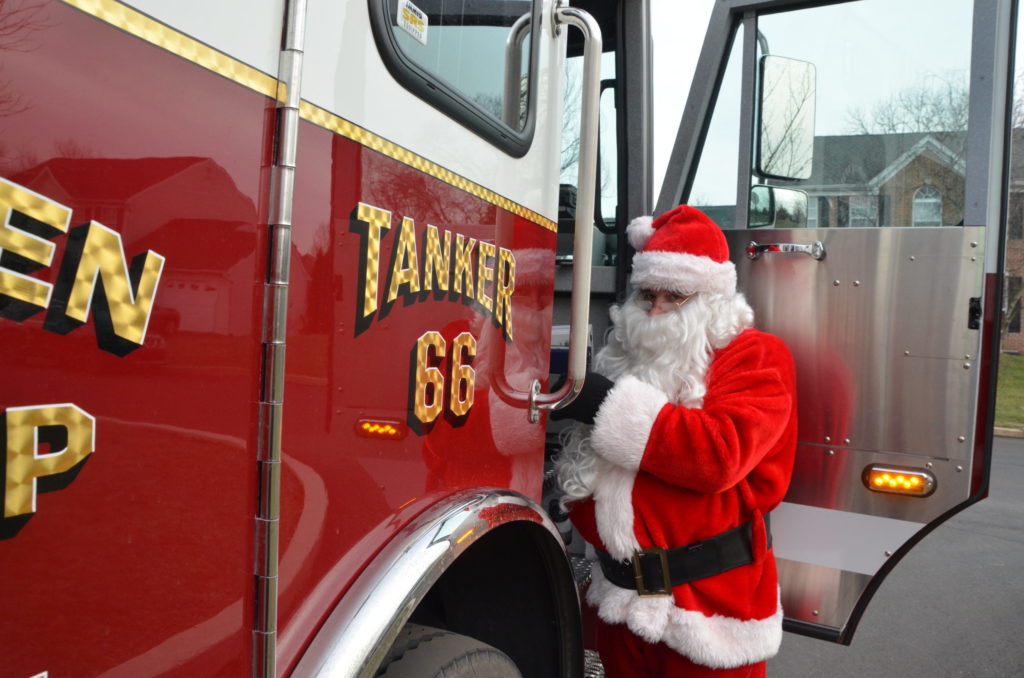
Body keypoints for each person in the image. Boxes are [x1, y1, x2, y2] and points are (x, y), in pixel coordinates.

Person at [552, 205, 797, 677]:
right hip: (626, 604)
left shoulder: (757, 356)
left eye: (676, 296)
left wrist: (607, 406)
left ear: (712, 299)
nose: (657, 308)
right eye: (647, 295)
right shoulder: (626, 359)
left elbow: (718, 456)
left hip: (711, 611)